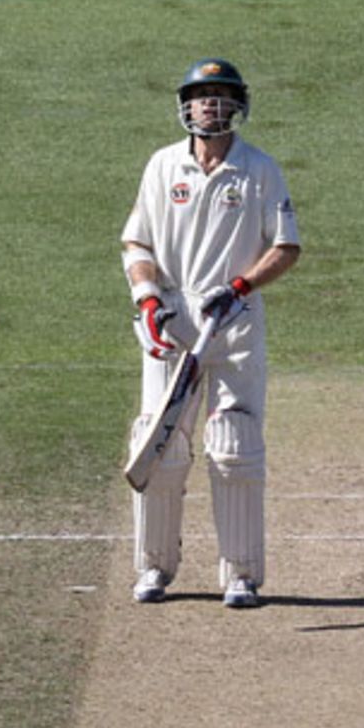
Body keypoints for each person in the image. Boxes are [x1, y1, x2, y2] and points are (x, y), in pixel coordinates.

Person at [121, 58, 301, 608]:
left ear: (239, 104)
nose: (211, 105)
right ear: (186, 105)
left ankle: (241, 575)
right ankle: (154, 569)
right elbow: (137, 245)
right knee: (163, 446)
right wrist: (147, 299)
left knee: (235, 446)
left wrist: (241, 286)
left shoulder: (259, 169)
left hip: (235, 325)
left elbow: (286, 246)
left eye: (221, 95)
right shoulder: (161, 167)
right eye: (202, 95)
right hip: (173, 327)